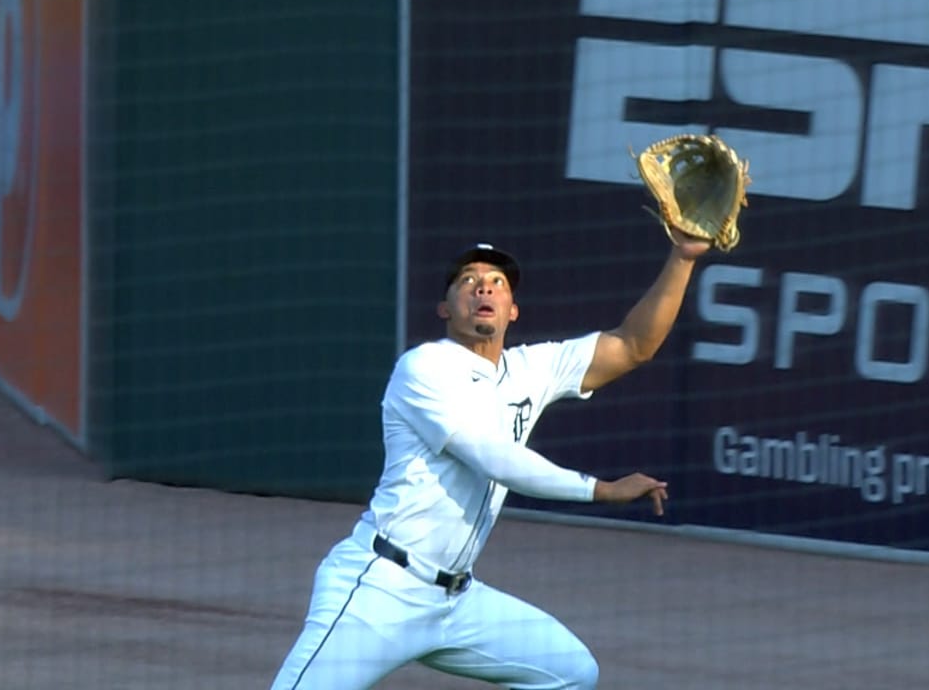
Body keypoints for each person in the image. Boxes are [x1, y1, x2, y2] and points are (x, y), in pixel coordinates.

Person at [270, 233, 709, 689]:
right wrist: (597, 488)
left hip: (456, 602)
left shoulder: (532, 369)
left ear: (512, 309)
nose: (484, 288)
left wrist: (682, 258)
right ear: (444, 308)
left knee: (572, 672)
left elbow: (633, 345)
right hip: (380, 589)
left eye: (497, 282)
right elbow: (495, 459)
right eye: (468, 280)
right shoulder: (424, 368)